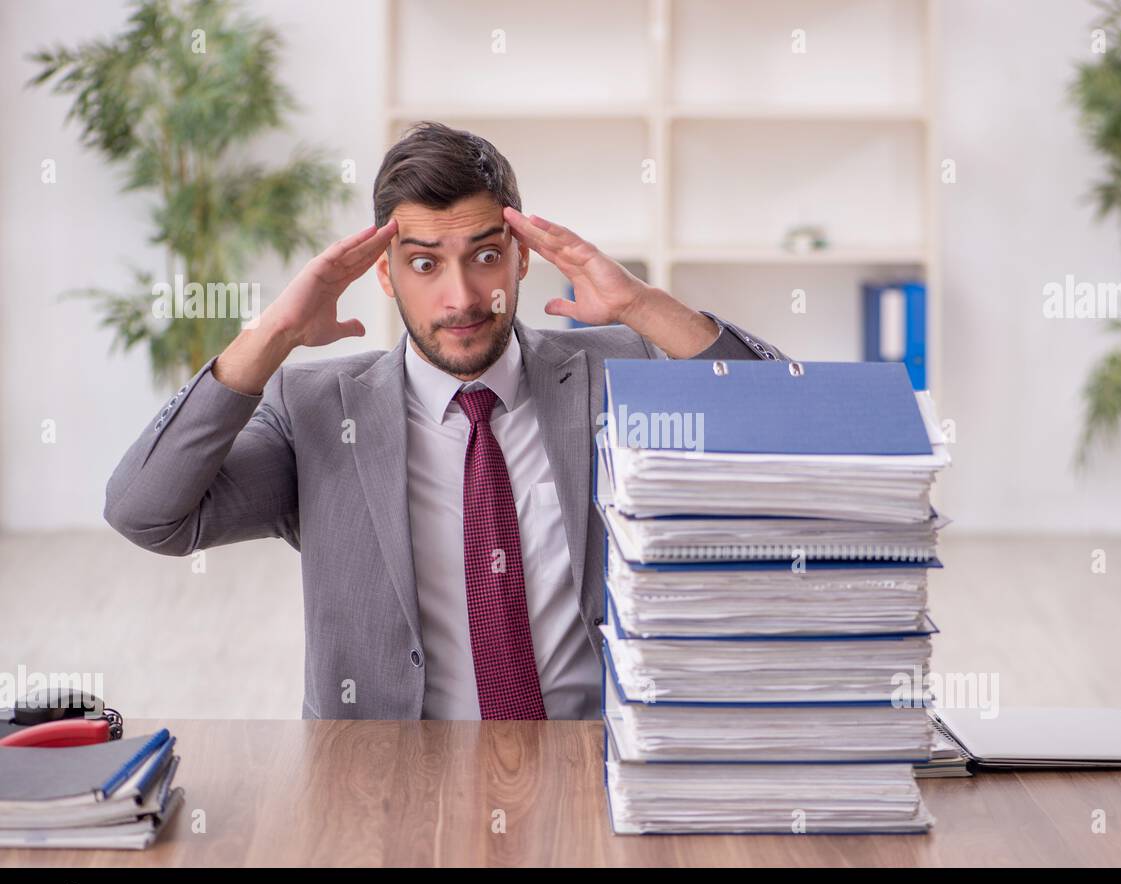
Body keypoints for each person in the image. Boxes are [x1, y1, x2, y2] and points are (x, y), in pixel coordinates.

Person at [104, 121, 786, 720]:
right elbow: (147, 513)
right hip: (388, 789)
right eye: (424, 263)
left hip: (589, 771)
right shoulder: (315, 409)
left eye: (485, 256)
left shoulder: (618, 370)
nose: (459, 297)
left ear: (522, 258)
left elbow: (790, 430)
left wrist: (645, 306)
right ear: (384, 275)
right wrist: (271, 333)